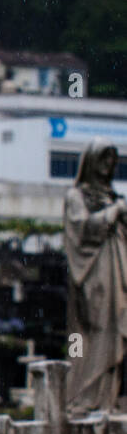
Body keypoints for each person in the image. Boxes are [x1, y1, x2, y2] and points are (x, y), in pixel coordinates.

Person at [63, 137, 127, 412]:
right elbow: (83, 230)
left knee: (115, 332)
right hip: (92, 275)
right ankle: (82, 398)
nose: (108, 164)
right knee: (93, 334)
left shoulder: (114, 198)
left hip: (117, 275)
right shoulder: (76, 197)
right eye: (103, 157)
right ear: (90, 161)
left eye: (112, 159)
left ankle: (106, 400)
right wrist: (114, 213)